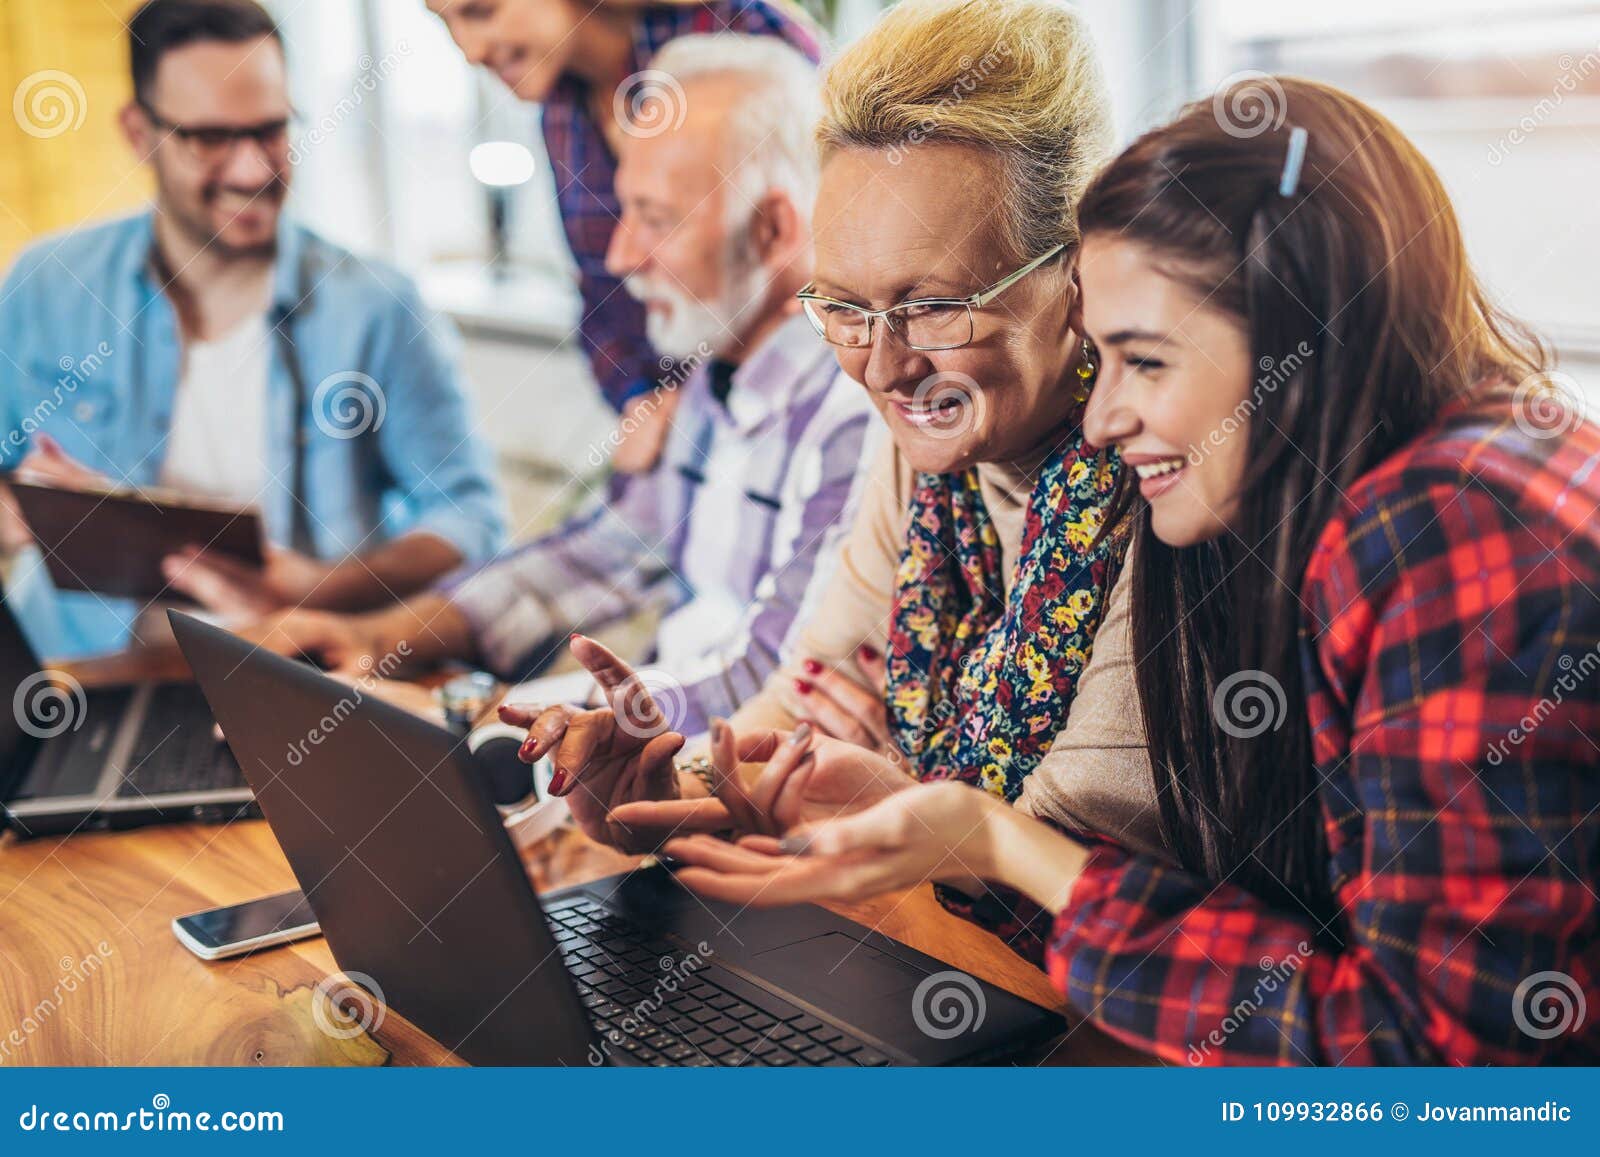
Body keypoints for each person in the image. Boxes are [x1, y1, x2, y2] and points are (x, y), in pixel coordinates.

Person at [665, 77, 1600, 1066]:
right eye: (1101, 360)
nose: (1104, 420)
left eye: (1145, 363)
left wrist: (1005, 845)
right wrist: (970, 843)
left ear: (1306, 343)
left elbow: (1448, 1074)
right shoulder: (1380, 490)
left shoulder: (1454, 536)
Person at [514, 0, 1162, 863]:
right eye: (845, 308)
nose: (883, 370)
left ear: (1078, 271)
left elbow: (1081, 867)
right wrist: (669, 788)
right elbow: (807, 699)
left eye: (933, 307)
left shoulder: (1167, 475)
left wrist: (888, 813)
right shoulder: (927, 450)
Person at [245, 33, 877, 847]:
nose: (621, 256)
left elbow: (775, 677)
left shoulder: (854, 419)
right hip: (659, 783)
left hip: (744, 821)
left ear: (774, 229)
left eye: (652, 218)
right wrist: (384, 635)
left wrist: (538, 718)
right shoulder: (715, 371)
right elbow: (606, 552)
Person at [0, 0, 505, 659]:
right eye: (210, 138)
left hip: (294, 676)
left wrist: (318, 589)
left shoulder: (377, 306)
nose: (252, 170)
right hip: (82, 676)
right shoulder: (47, 284)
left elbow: (472, 517)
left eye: (270, 130)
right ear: (138, 132)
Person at [427, 0, 822, 472]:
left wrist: (705, 400)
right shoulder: (561, 111)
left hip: (780, 418)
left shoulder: (736, 35)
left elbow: (830, 256)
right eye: (445, 23)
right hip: (672, 436)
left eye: (480, 11)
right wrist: (640, 401)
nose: (468, 52)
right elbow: (599, 298)